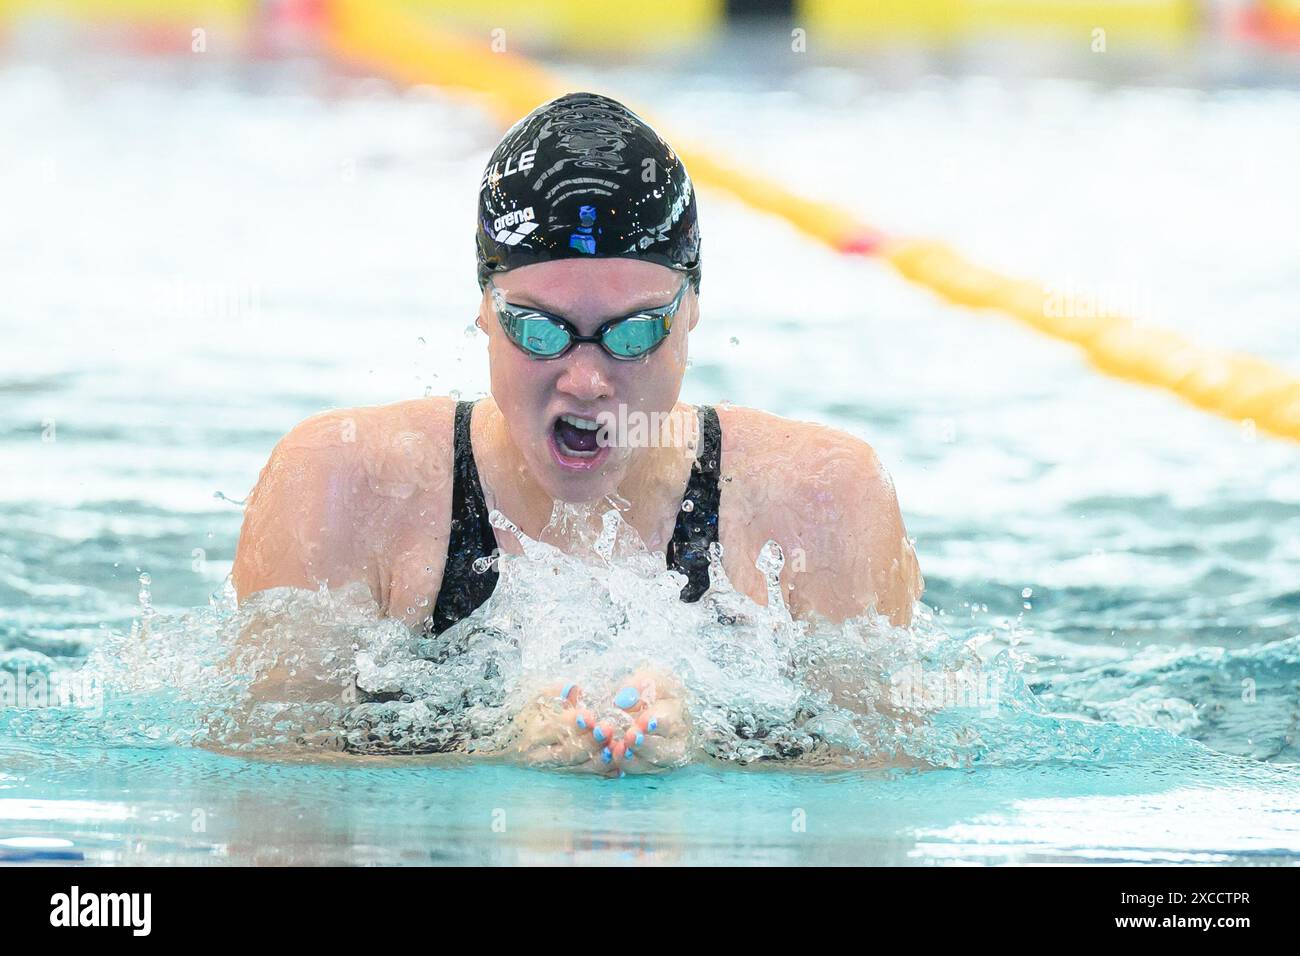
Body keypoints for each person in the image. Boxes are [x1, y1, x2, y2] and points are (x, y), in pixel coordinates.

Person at [232, 91, 922, 771]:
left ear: (692, 314)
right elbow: (272, 792)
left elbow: (878, 797)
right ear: (484, 310)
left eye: (634, 332)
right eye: (540, 330)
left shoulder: (823, 497)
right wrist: (494, 749)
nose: (587, 380)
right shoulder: (343, 484)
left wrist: (707, 747)